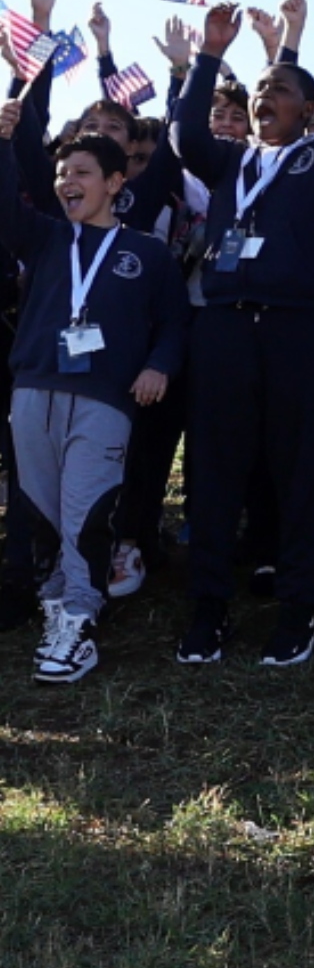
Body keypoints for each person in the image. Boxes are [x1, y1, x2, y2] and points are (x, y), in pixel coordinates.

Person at [172, 3, 314, 666]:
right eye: (260, 89)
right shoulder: (230, 162)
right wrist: (209, 54)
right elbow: (185, 135)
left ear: (304, 111)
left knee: (299, 475)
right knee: (212, 472)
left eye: (283, 90)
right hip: (226, 327)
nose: (267, 96)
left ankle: (298, 613)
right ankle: (207, 613)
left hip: (302, 331)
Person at [0, 114, 187, 682]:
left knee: (87, 510)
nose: (66, 182)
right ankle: (59, 603)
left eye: (81, 172)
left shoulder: (147, 253)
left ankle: (80, 619)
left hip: (104, 398)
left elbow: (175, 323)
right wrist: (4, 144)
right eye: (61, 174)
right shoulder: (47, 237)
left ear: (114, 182)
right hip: (33, 390)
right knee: (42, 510)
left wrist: (157, 366)